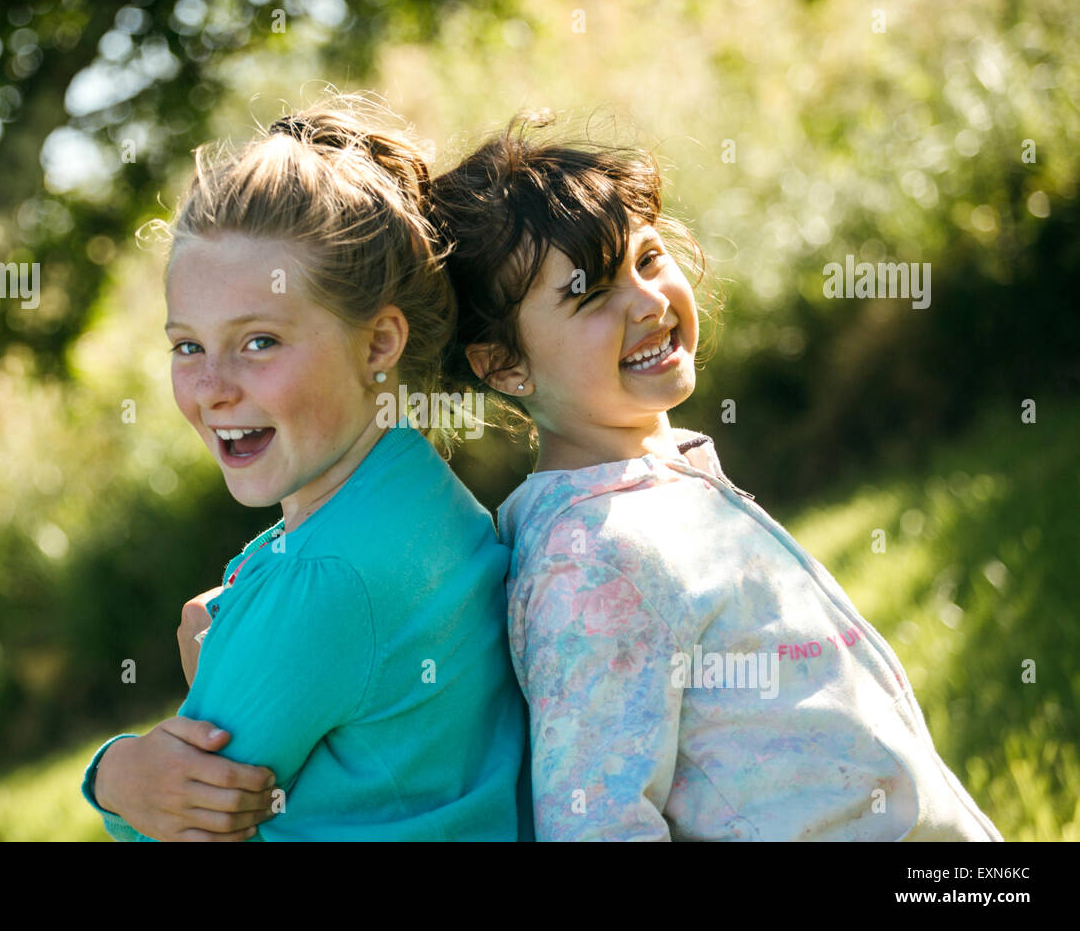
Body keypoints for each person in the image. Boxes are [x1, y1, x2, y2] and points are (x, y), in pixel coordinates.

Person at [424, 112, 1003, 841]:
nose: (646, 300)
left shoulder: (650, 494)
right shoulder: (594, 557)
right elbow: (597, 824)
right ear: (504, 363)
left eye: (649, 258)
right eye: (591, 294)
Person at [80, 95, 531, 841]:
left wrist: (113, 776)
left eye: (259, 342)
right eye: (187, 346)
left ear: (380, 344)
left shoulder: (320, 581)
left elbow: (191, 821)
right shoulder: (419, 493)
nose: (214, 386)